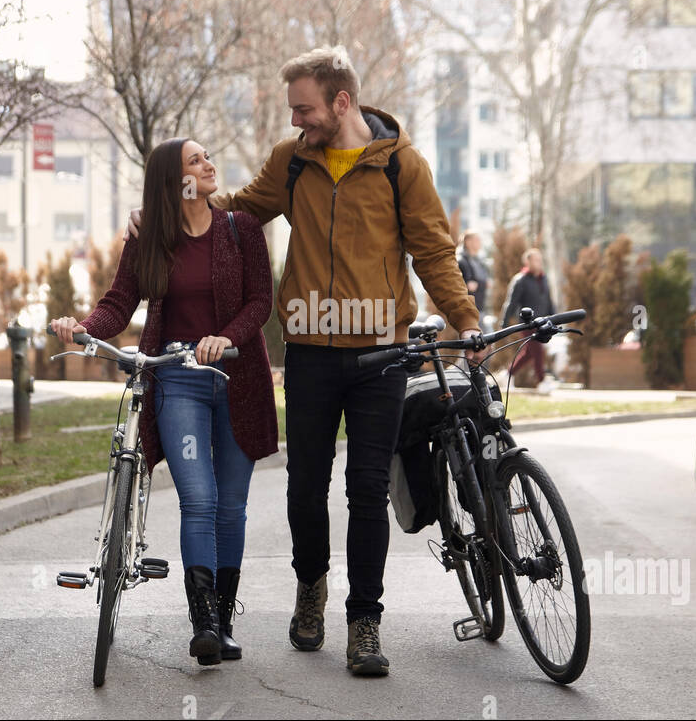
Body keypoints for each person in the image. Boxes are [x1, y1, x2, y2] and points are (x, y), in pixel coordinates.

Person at [127, 46, 482, 676]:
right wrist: (167, 212)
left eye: (305, 108)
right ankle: (310, 588)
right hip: (312, 352)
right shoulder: (292, 163)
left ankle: (365, 623)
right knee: (305, 487)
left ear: (341, 102)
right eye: (294, 110)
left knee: (368, 488)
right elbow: (237, 208)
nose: (297, 121)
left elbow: (432, 251)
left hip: (381, 354)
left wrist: (467, 320)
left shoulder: (403, 167)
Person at [51, 137, 277, 667]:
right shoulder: (148, 240)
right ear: (175, 181)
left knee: (231, 507)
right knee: (198, 498)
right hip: (178, 381)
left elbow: (261, 301)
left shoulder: (240, 229)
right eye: (196, 160)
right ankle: (202, 625)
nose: (208, 164)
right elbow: (118, 302)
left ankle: (222, 620)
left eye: (206, 156)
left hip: (237, 380)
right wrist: (81, 329)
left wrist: (225, 337)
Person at [502, 248, 555, 387]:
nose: (539, 262)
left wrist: (554, 319)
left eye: (540, 259)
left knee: (529, 353)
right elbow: (511, 303)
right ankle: (542, 381)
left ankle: (508, 374)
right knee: (538, 350)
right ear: (528, 261)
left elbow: (548, 300)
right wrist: (504, 323)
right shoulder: (520, 280)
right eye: (536, 260)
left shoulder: (543, 278)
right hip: (528, 324)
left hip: (543, 322)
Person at [456, 230, 490, 317]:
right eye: (477, 240)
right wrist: (481, 284)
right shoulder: (460, 260)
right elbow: (468, 285)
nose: (480, 242)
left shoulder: (479, 260)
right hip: (468, 309)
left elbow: (479, 283)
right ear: (468, 242)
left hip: (480, 307)